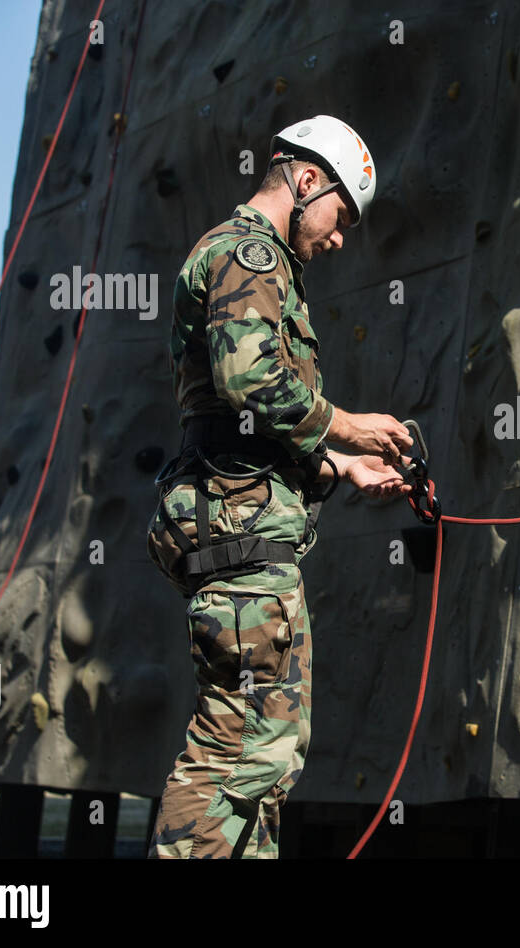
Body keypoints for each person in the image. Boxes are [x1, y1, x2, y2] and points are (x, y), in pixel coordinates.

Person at [145, 114, 415, 858]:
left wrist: (343, 467)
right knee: (237, 743)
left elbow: (247, 429)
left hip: (242, 517)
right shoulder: (249, 254)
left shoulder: (256, 262)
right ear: (305, 180)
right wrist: (350, 428)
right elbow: (250, 379)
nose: (337, 239)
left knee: (266, 749)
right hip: (236, 530)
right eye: (339, 217)